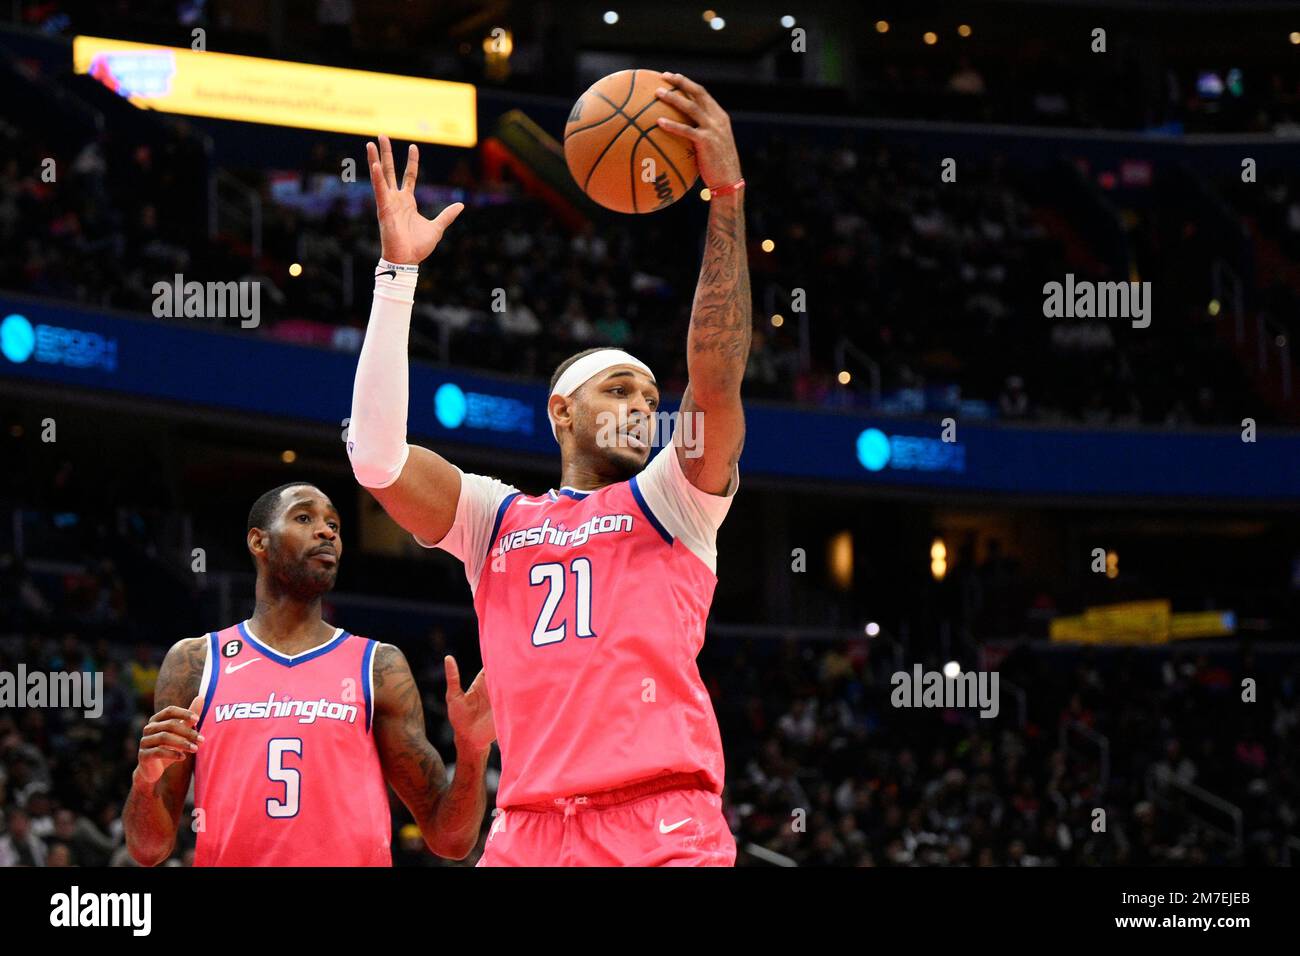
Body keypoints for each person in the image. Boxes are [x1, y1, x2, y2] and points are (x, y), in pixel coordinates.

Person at [348, 71, 750, 866]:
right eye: (618, 388)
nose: (643, 404)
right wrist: (397, 280)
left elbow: (715, 377)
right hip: (529, 830)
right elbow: (376, 457)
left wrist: (727, 197)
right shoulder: (496, 520)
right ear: (561, 410)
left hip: (659, 820)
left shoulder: (673, 500)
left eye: (648, 392)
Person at [123, 482, 494, 866]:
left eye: (334, 524)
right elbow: (148, 849)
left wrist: (472, 750)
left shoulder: (378, 666)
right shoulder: (195, 662)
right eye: (304, 517)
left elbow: (451, 839)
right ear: (258, 542)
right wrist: (144, 781)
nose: (326, 531)